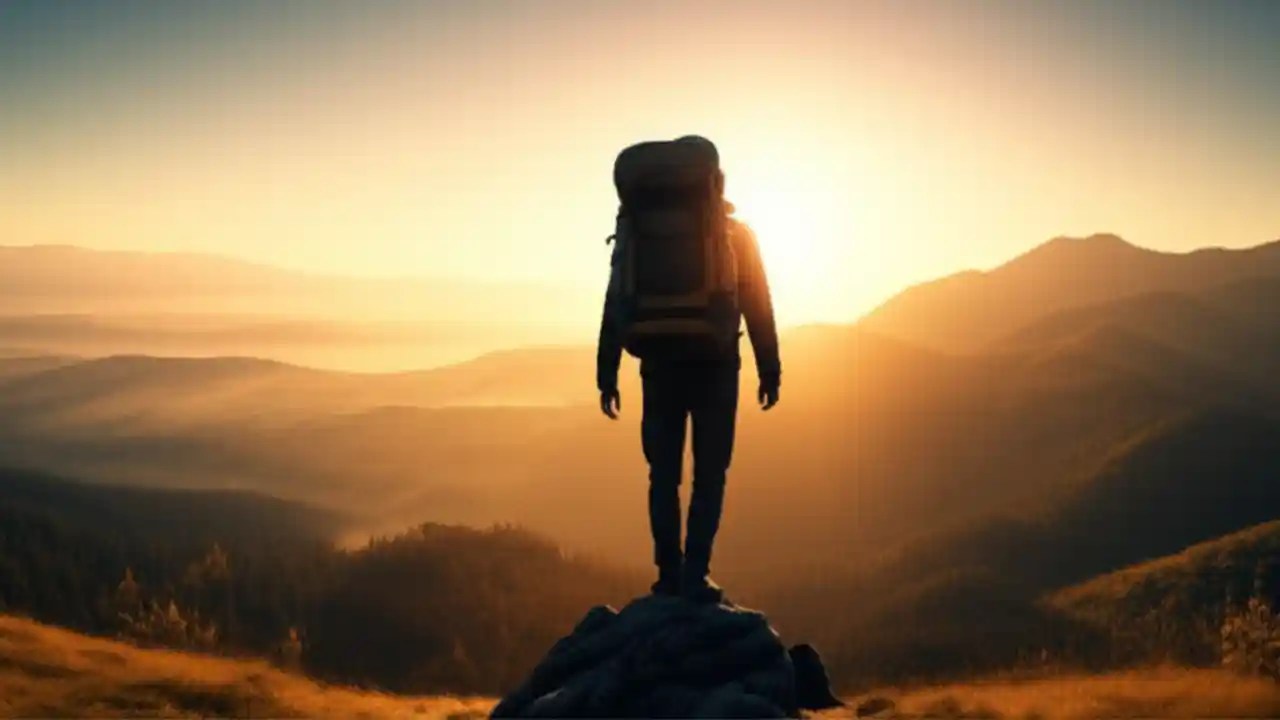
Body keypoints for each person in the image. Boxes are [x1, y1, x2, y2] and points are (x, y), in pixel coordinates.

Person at [596, 135, 781, 603]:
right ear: (715, 186)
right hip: (717, 364)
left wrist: (607, 371)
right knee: (709, 473)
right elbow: (758, 303)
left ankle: (667, 575)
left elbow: (616, 300)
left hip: (658, 364)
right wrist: (769, 368)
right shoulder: (735, 236)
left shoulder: (639, 231)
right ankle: (696, 575)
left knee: (663, 474)